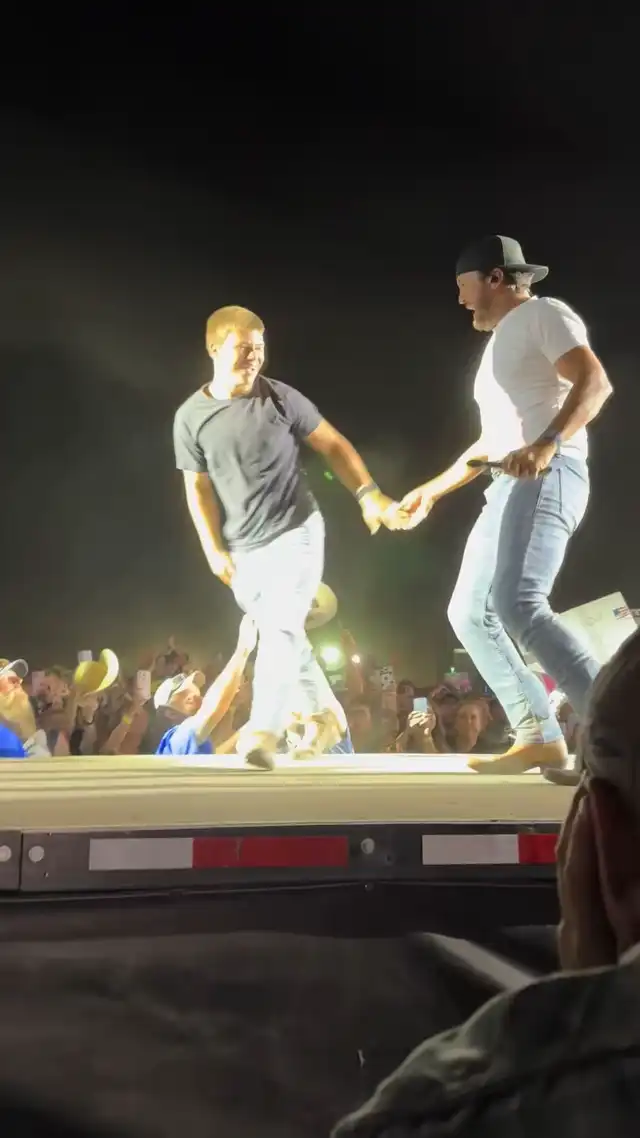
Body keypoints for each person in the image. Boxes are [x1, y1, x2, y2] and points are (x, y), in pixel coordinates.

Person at [333, 627, 640, 1137]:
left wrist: (591, 1000)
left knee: (496, 610)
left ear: (598, 836)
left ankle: (540, 733)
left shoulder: (458, 1112)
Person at [401, 235, 612, 778]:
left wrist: (547, 444)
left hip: (548, 473)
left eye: (462, 286)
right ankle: (538, 733)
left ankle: (620, 736)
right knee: (469, 613)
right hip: (506, 485)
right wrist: (432, 490)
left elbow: (595, 384)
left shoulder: (543, 313)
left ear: (495, 278)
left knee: (519, 603)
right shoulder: (497, 349)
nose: (459, 299)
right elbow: (490, 443)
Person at [174, 304, 403, 770]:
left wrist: (369, 495)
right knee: (284, 633)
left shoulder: (281, 399)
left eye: (259, 348)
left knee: (280, 626)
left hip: (297, 530)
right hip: (243, 548)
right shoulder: (190, 417)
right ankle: (326, 717)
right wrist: (212, 548)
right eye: (243, 348)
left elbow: (333, 444)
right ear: (214, 349)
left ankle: (264, 728)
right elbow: (197, 488)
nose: (254, 357)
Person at [154, 615, 257, 756]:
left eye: (196, 691)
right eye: (184, 693)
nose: (195, 696)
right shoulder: (177, 738)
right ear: (170, 713)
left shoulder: (191, 743)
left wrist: (258, 722)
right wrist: (243, 650)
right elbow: (213, 707)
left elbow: (219, 755)